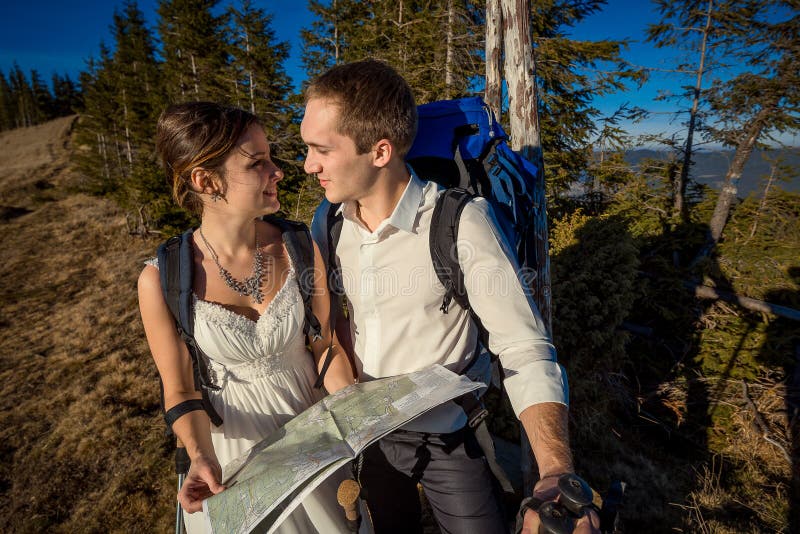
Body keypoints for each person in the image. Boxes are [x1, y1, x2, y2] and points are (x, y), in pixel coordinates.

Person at [303, 60, 600, 534]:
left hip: (449, 437)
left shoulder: (460, 222)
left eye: (321, 150)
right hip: (370, 436)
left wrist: (555, 471)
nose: (308, 165)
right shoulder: (330, 225)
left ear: (380, 151)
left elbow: (523, 347)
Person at [138, 102, 354, 533]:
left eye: (271, 159)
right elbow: (179, 387)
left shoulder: (299, 246)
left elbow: (325, 345)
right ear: (205, 180)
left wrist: (355, 417)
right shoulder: (161, 279)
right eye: (258, 163)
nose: (278, 172)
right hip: (233, 456)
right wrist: (201, 456)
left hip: (313, 436)